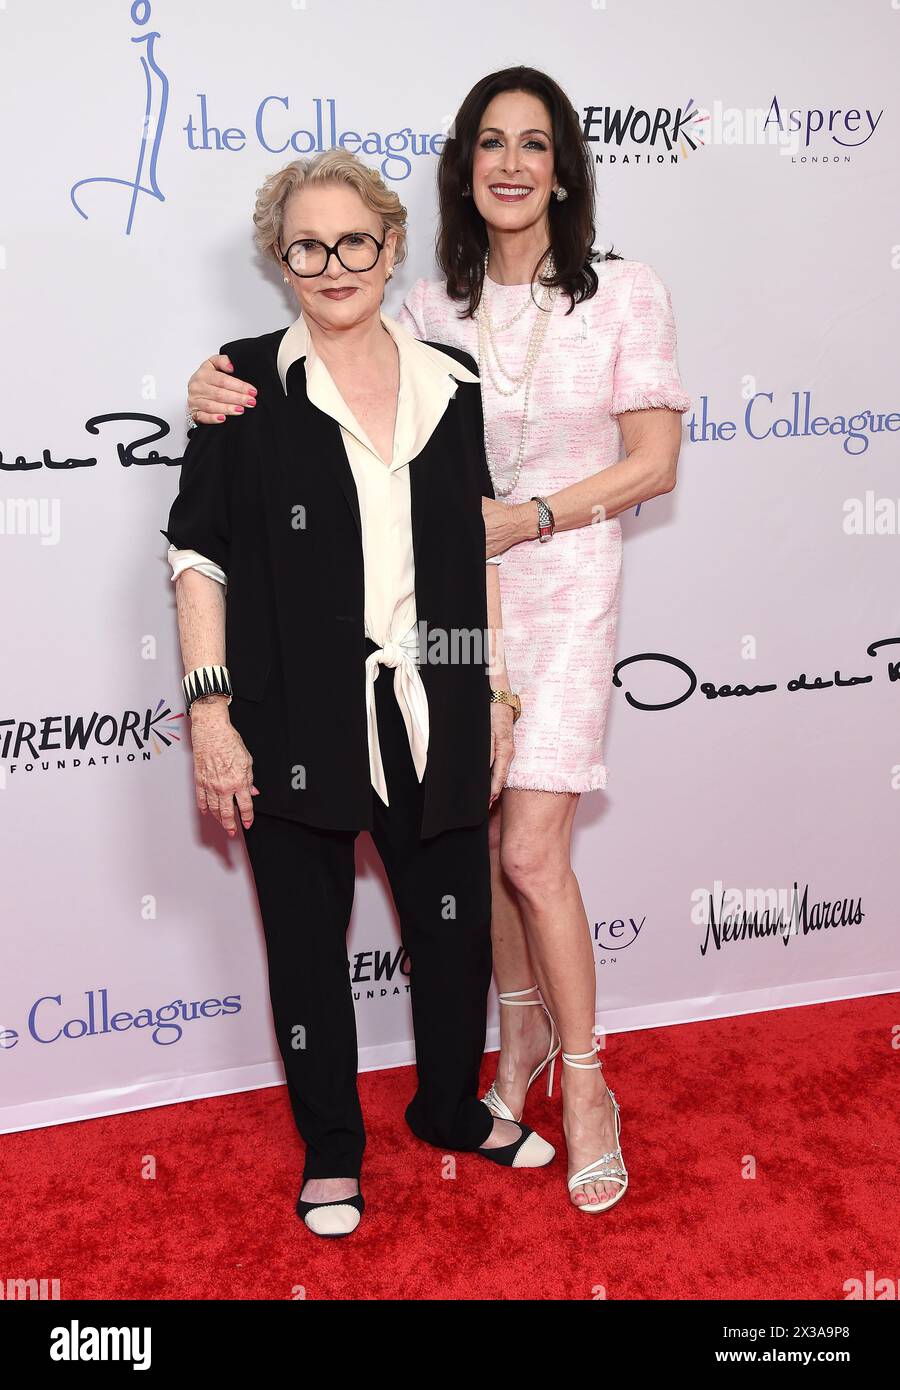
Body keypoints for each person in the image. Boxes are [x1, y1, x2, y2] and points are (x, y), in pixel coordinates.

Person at [186, 67, 690, 1215]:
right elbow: (317, 381)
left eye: (536, 143)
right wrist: (208, 385)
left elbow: (657, 461)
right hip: (456, 621)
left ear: (566, 166)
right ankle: (499, 1071)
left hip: (554, 593)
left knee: (522, 858)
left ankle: (586, 1079)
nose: (512, 164)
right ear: (465, 169)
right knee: (476, 864)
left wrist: (532, 522)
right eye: (490, 145)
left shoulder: (623, 289)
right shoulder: (433, 312)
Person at [164, 149, 554, 1239]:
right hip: (291, 712)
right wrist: (211, 711)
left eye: (353, 242)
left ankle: (442, 1108)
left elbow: (467, 550)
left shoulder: (451, 381)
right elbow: (198, 556)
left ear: (390, 248)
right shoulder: (243, 383)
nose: (332, 263)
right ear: (281, 263)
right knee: (306, 942)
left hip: (434, 700)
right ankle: (333, 1148)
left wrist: (493, 694)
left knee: (454, 931)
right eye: (306, 246)